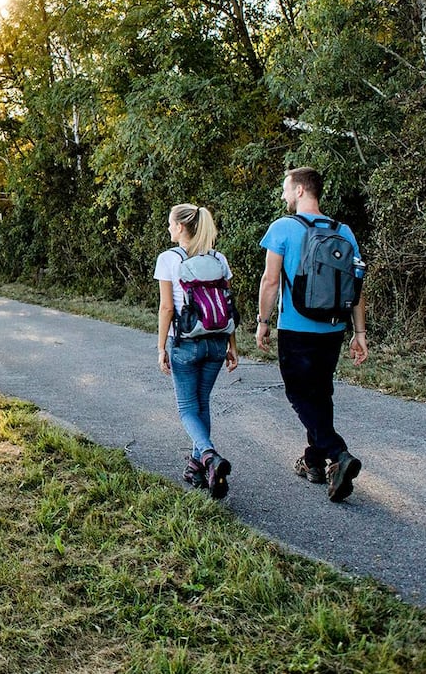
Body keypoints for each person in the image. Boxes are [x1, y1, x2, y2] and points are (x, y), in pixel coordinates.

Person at [255, 166, 369, 503]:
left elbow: (270, 280)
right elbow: (357, 287)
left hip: (296, 327)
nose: (283, 195)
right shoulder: (343, 231)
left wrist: (262, 320)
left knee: (298, 394)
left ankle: (338, 453)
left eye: (285, 189)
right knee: (320, 393)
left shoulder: (283, 228)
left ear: (301, 190)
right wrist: (359, 332)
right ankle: (314, 462)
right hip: (333, 327)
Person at [155, 203, 239, 499]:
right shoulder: (218, 258)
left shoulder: (169, 259)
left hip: (186, 343)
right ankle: (198, 467)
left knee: (187, 409)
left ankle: (208, 456)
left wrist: (161, 346)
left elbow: (167, 308)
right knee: (202, 404)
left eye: (170, 224)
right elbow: (227, 305)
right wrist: (232, 345)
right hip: (216, 342)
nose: (168, 228)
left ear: (180, 227)